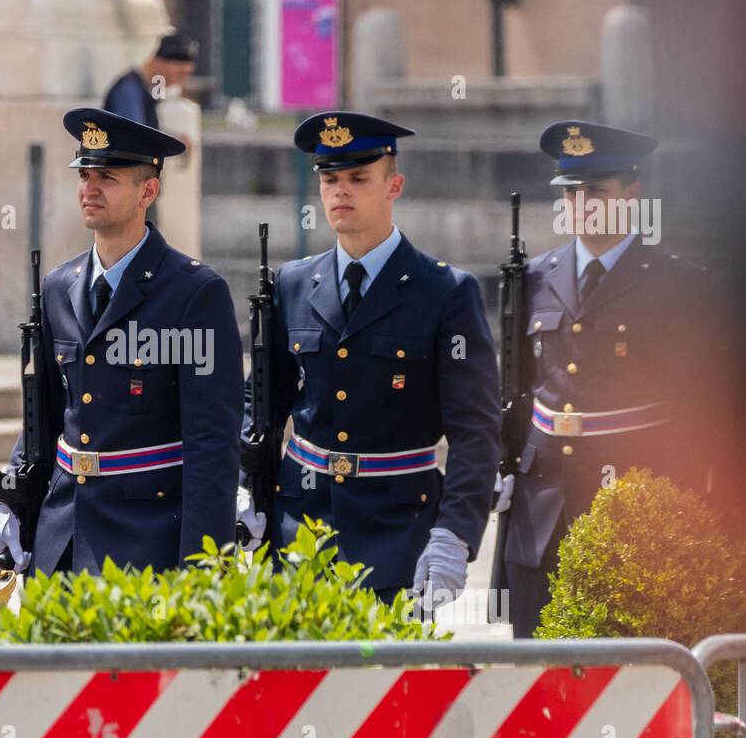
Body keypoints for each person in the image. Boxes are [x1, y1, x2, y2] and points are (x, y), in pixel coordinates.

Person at [238, 112, 501, 604]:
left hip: (400, 534)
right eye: (330, 179)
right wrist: (245, 489)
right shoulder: (292, 284)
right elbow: (261, 401)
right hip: (300, 531)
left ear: (393, 185)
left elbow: (475, 430)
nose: (341, 191)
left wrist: (454, 534)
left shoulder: (444, 291)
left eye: (359, 178)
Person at [0, 107, 243, 575]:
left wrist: (203, 568)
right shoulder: (58, 287)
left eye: (107, 176)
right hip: (60, 541)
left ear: (149, 190)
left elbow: (211, 444)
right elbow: (42, 418)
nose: (89, 188)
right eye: (84, 175)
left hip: (147, 545)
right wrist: (11, 506)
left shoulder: (193, 294)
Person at [499, 121, 720, 637]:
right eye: (571, 191)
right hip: (541, 518)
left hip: (635, 514)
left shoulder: (679, 286)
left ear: (632, 194)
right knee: (538, 681)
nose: (580, 202)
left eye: (595, 190)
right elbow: (512, 388)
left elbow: (696, 412)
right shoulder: (533, 278)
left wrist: (689, 515)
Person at [103, 31, 198, 128]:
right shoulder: (129, 90)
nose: (181, 81)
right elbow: (133, 136)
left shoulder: (145, 89)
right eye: (180, 73)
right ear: (160, 62)